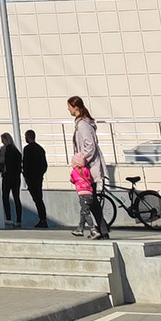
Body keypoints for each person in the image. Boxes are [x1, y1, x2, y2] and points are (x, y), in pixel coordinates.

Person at [67, 96, 108, 238]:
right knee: (92, 200)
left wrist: (80, 161)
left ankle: (95, 229)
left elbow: (89, 146)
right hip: (88, 168)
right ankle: (100, 230)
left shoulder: (83, 125)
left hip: (88, 169)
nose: (68, 109)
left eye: (69, 107)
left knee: (88, 200)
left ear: (76, 107)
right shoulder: (82, 123)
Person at [21, 129, 50, 228]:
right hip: (38, 177)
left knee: (36, 198)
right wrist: (40, 174)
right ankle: (43, 218)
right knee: (39, 198)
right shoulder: (40, 149)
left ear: (28, 137)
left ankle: (42, 218)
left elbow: (26, 163)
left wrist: (26, 175)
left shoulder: (27, 149)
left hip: (31, 178)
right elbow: (44, 165)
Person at [0, 132, 23, 227]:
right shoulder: (16, 150)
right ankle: (19, 220)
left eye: (2, 139)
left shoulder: (4, 149)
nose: (2, 141)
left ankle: (8, 218)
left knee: (5, 197)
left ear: (6, 139)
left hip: (7, 175)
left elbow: (2, 161)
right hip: (16, 176)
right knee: (16, 198)